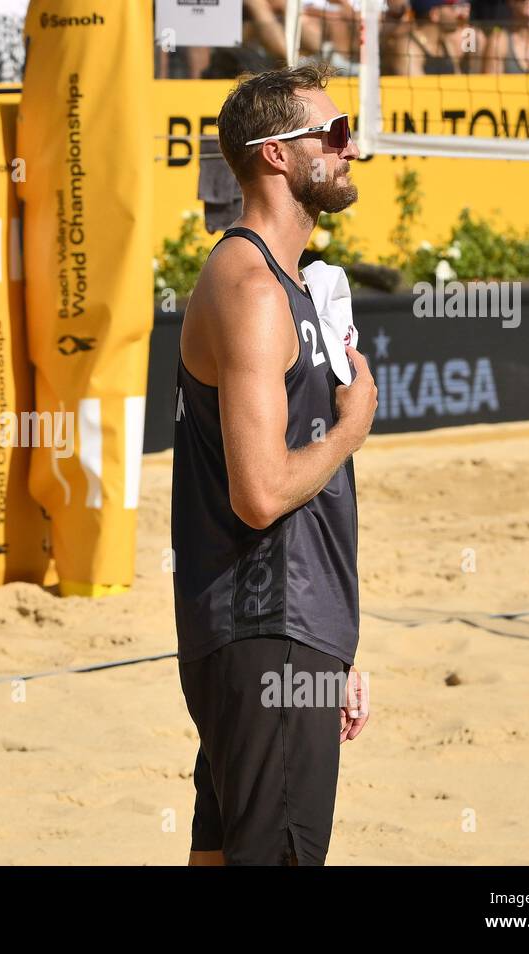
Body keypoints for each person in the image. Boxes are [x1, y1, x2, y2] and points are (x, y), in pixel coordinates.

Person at [171, 63, 374, 866]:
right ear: (276, 157)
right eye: (331, 134)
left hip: (279, 631)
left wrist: (339, 648)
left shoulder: (282, 282)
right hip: (267, 629)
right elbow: (260, 495)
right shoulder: (252, 285)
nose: (348, 147)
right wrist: (351, 427)